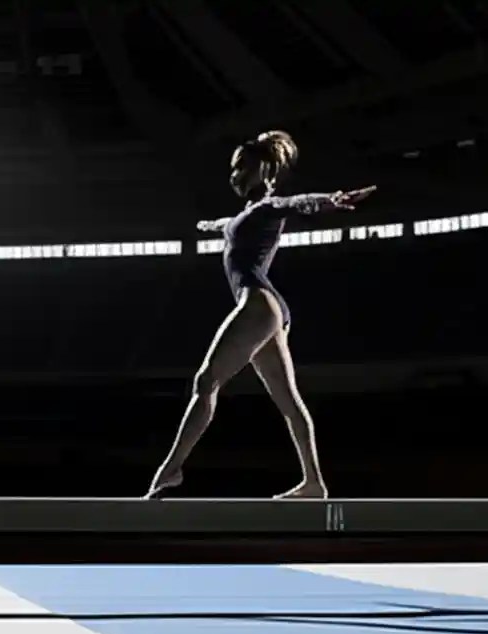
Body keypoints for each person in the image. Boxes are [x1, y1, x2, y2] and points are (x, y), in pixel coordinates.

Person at [146, 130, 375, 500]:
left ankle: (169, 471)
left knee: (206, 382)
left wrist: (331, 200)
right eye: (232, 170)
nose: (233, 176)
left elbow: (296, 203)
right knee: (288, 400)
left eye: (240, 169)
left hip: (256, 302)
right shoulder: (249, 214)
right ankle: (314, 482)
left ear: (262, 171)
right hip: (269, 311)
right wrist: (214, 225)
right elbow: (237, 225)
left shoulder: (268, 208)